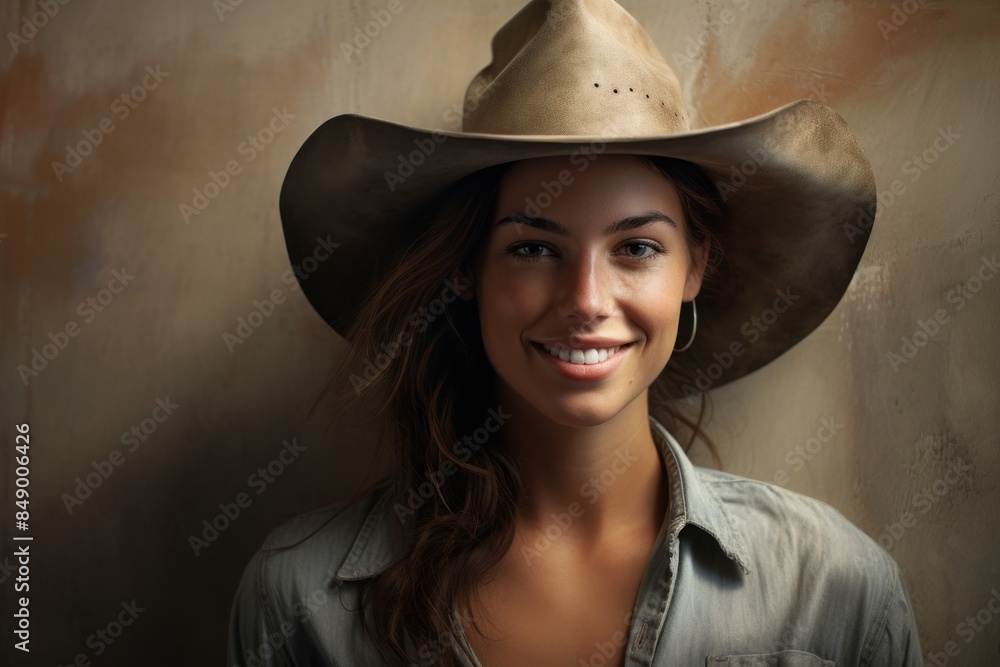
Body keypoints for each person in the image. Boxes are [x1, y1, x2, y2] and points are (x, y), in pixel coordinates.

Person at [229, 1, 922, 665]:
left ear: (695, 266)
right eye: (533, 248)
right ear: (466, 269)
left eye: (637, 248)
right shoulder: (299, 600)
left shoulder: (836, 591)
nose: (586, 300)